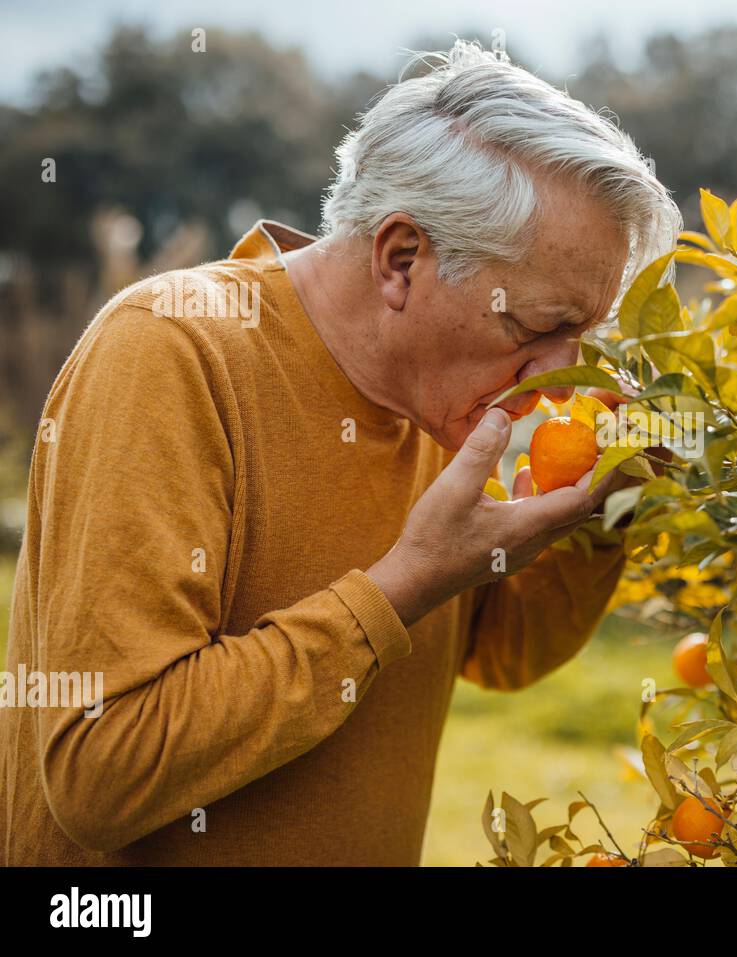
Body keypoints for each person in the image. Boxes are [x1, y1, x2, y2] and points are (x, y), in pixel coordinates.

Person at [0, 41, 680, 865]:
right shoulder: (173, 351)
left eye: (583, 334)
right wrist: (399, 587)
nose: (565, 373)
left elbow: (502, 652)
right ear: (401, 259)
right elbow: (99, 774)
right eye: (539, 327)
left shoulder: (443, 401)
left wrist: (601, 511)